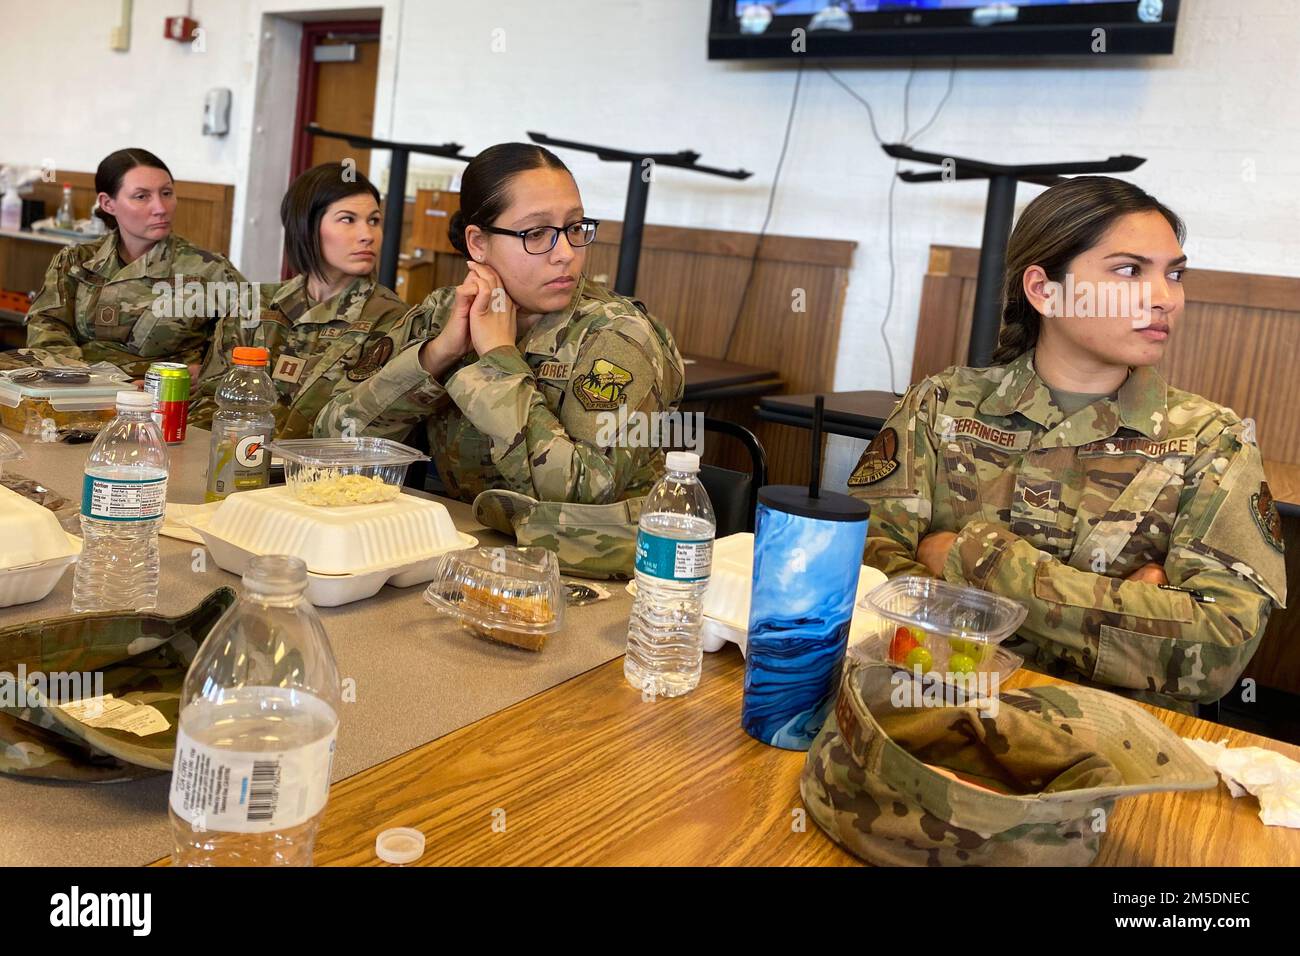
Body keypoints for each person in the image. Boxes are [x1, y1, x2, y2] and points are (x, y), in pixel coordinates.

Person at [848, 176, 1286, 714]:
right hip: (933, 708)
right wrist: (1128, 610)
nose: (1164, 298)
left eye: (1174, 274)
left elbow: (1217, 647)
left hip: (1111, 738)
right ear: (1044, 290)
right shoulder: (942, 406)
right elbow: (867, 576)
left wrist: (970, 558)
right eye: (1129, 270)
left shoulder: (1209, 441)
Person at [313, 144, 685, 576]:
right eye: (536, 233)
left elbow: (584, 498)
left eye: (574, 227)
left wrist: (497, 359)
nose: (565, 252)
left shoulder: (616, 336)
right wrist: (436, 356)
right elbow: (333, 441)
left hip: (591, 581)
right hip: (458, 556)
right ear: (479, 243)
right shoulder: (444, 314)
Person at [188, 163, 407, 438]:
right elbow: (210, 403)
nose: (367, 235)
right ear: (307, 226)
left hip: (323, 476)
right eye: (348, 220)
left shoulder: (392, 319)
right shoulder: (255, 304)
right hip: (235, 465)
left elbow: (369, 431)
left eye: (374, 220)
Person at [13, 148, 248, 378]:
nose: (160, 208)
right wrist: (84, 381)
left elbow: (254, 335)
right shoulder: (77, 261)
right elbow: (47, 326)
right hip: (81, 393)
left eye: (166, 193)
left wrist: (208, 372)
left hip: (170, 400)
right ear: (108, 204)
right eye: (142, 196)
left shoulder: (208, 269)